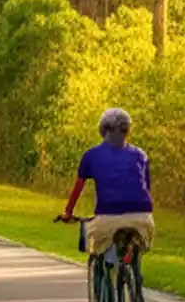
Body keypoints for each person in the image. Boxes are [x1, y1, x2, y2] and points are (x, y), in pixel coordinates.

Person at [56, 108, 155, 256]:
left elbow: (78, 188)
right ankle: (133, 269)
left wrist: (68, 212)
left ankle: (104, 274)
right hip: (143, 218)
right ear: (127, 130)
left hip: (108, 216)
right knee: (135, 246)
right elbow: (146, 187)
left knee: (97, 247)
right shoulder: (140, 155)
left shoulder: (91, 155)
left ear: (103, 129)